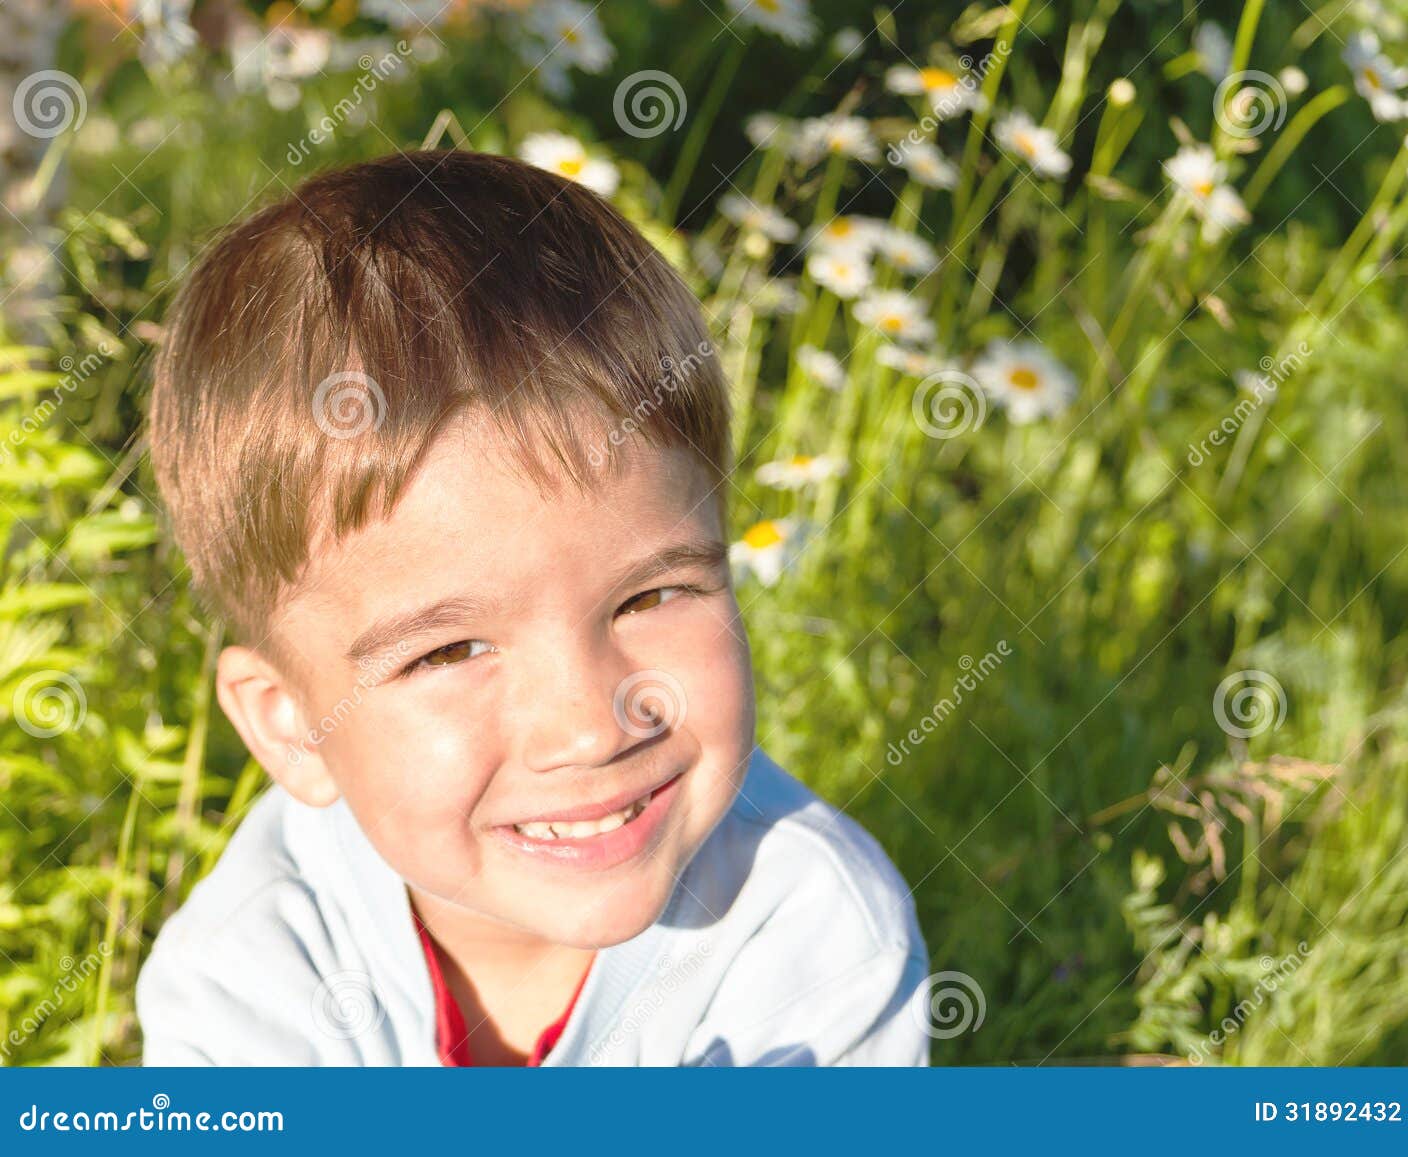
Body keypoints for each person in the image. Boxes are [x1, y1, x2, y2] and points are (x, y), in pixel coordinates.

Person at [136, 149, 928, 1066]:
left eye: (651, 594)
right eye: (448, 652)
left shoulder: (810, 942)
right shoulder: (250, 977)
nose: (590, 727)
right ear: (292, 726)